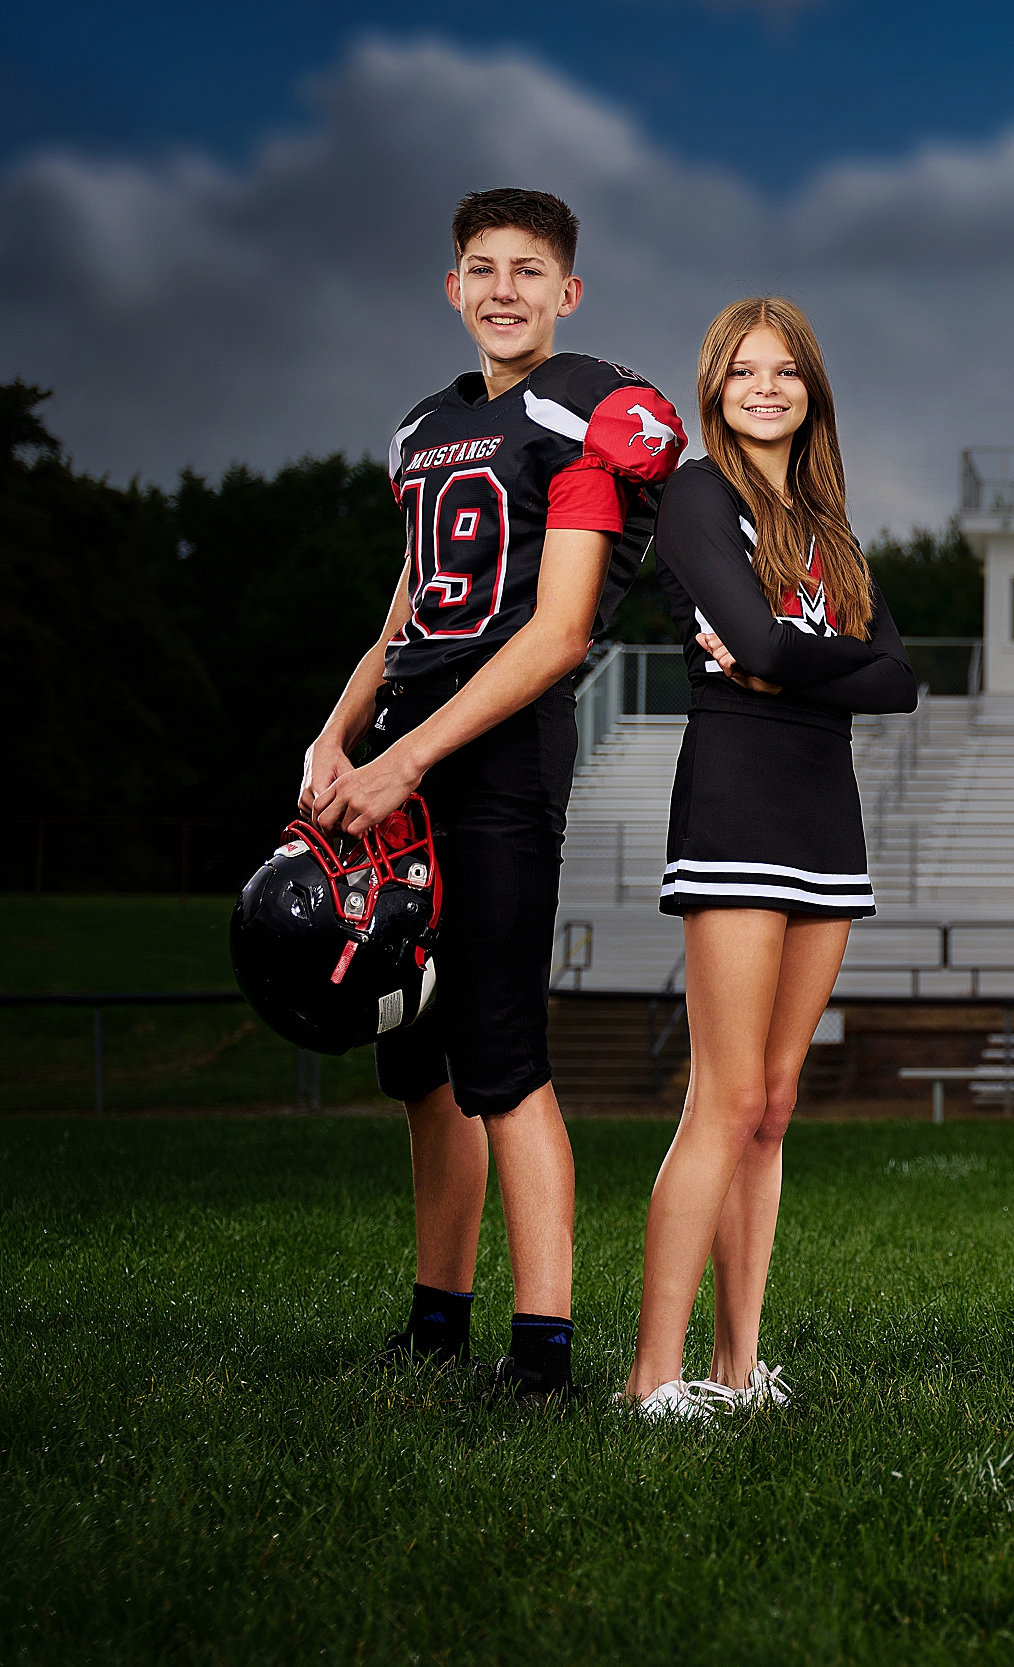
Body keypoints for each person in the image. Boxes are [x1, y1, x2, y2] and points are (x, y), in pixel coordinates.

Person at [300, 188, 684, 1399]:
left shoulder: (582, 409)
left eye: (530, 269)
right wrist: (337, 732)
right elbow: (407, 612)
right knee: (418, 1059)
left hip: (500, 755)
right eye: (483, 266)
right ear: (452, 287)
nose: (504, 287)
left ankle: (543, 1347)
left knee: (502, 1053)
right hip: (402, 752)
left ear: (567, 293)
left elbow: (560, 631)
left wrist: (406, 759)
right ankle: (435, 1318)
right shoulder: (421, 426)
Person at [619, 298, 917, 1420]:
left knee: (777, 1102)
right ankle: (652, 1376)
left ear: (811, 392)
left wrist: (787, 661)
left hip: (822, 812)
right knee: (724, 1095)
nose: (765, 388)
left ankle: (738, 1371)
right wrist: (783, 659)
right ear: (716, 388)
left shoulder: (829, 524)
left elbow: (897, 676)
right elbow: (757, 641)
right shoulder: (699, 493)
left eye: (785, 372)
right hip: (738, 803)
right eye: (744, 371)